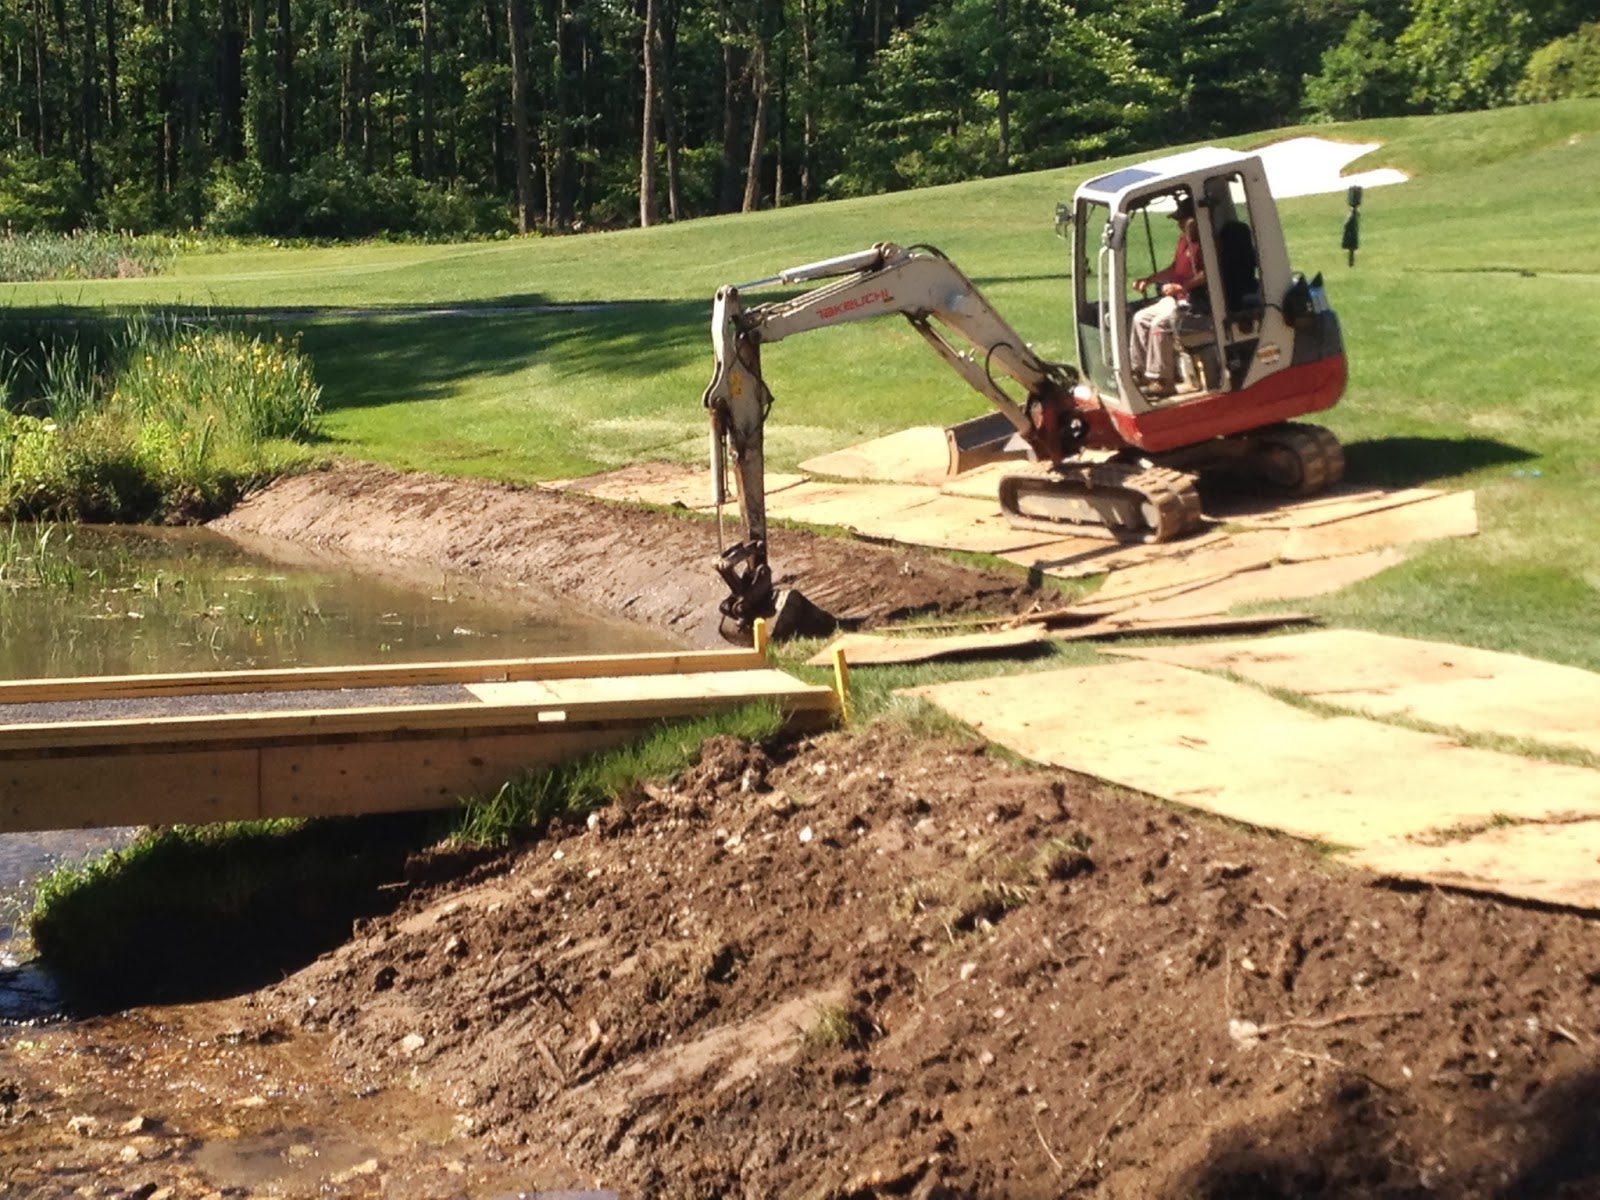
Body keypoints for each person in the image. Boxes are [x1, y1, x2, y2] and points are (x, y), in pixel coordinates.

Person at [1129, 197, 1209, 397]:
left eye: (1183, 219)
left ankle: (1163, 380)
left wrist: (1181, 286)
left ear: (1195, 219)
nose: (1179, 224)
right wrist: (1149, 280)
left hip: (1196, 302)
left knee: (1160, 325)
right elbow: (1174, 268)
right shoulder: (1183, 241)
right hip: (1175, 299)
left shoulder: (1207, 243)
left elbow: (1207, 273)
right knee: (1140, 318)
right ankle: (1137, 371)